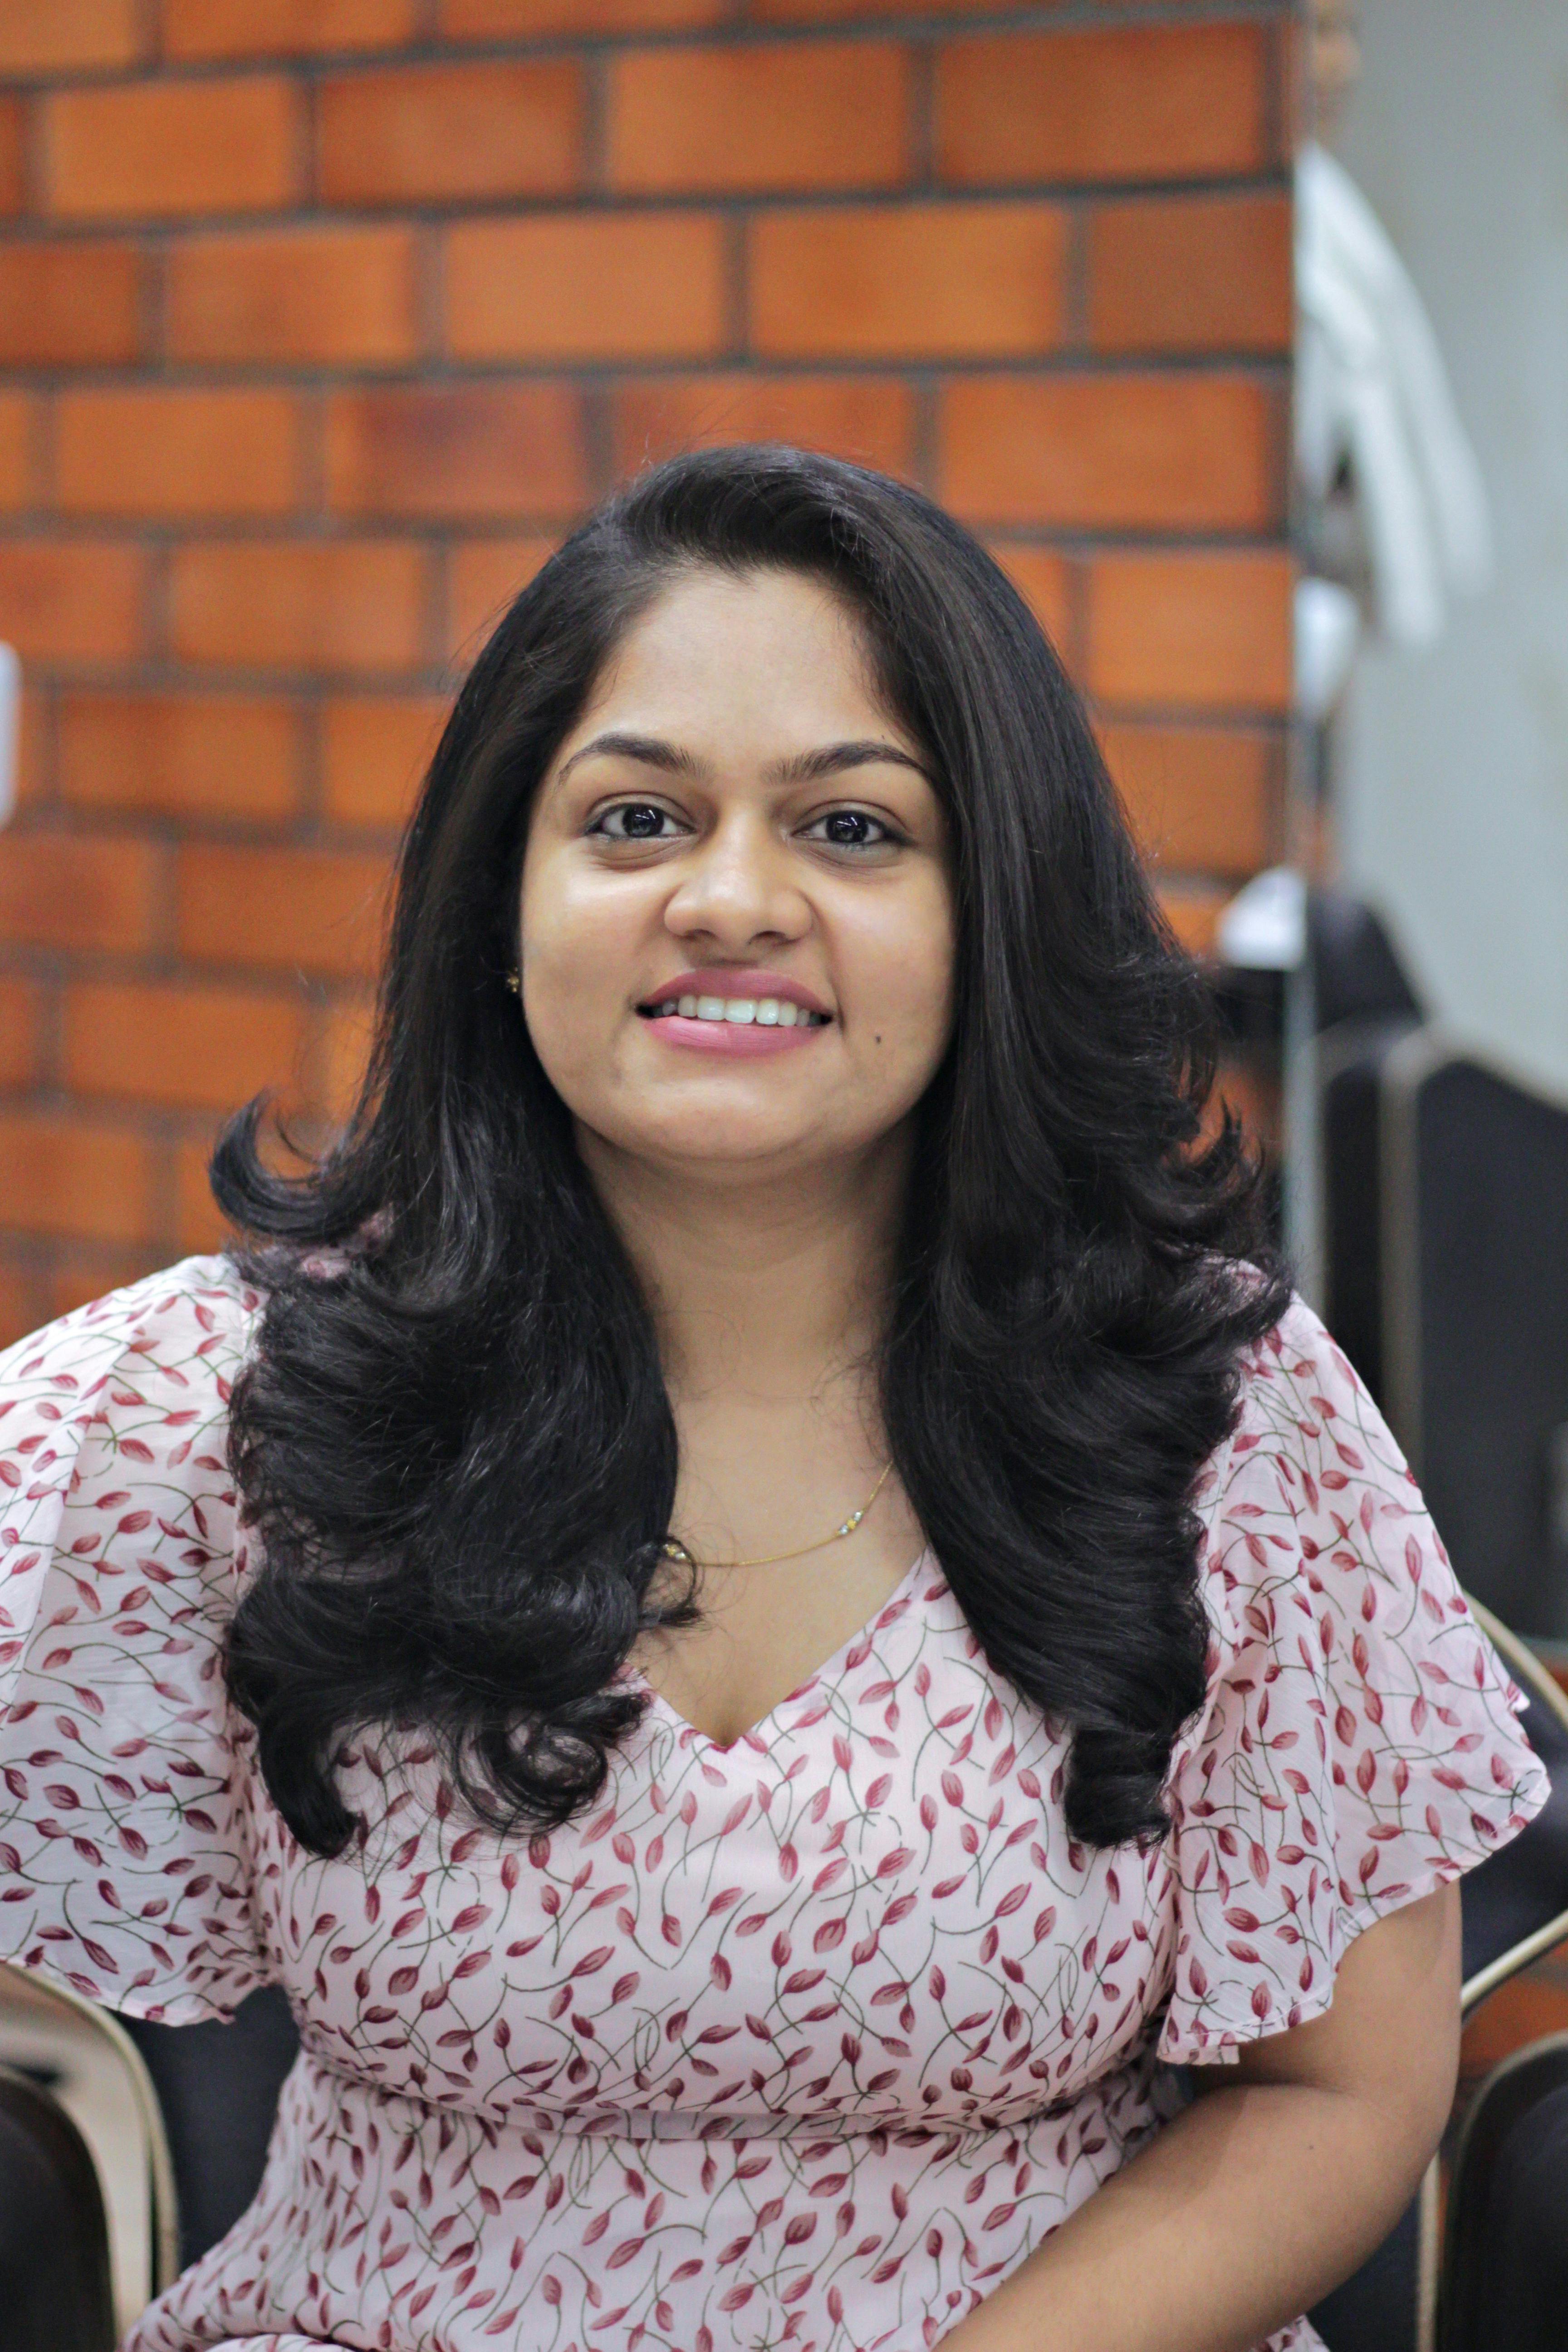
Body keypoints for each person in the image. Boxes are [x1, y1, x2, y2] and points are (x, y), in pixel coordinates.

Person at [0, 448, 1545, 2352]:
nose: (731, 900)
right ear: (505, 903)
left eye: (856, 831)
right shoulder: (219, 1404)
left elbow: (1345, 2091)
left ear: (998, 914)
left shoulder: (1224, 1412)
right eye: (637, 819)